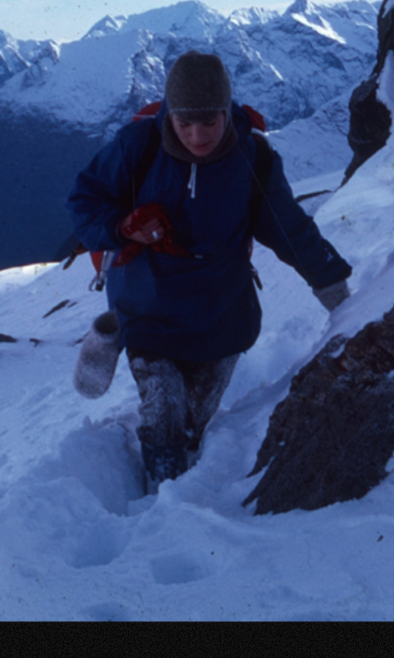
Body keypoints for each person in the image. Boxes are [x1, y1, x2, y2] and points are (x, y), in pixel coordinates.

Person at [66, 51, 353, 494]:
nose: (197, 135)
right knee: (163, 417)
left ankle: (178, 483)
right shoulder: (137, 145)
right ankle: (163, 511)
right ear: (169, 115)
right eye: (184, 124)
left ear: (226, 111)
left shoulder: (252, 158)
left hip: (220, 318)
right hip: (149, 309)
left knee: (190, 427)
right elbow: (85, 201)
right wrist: (122, 227)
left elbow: (288, 229)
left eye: (209, 122)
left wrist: (333, 285)